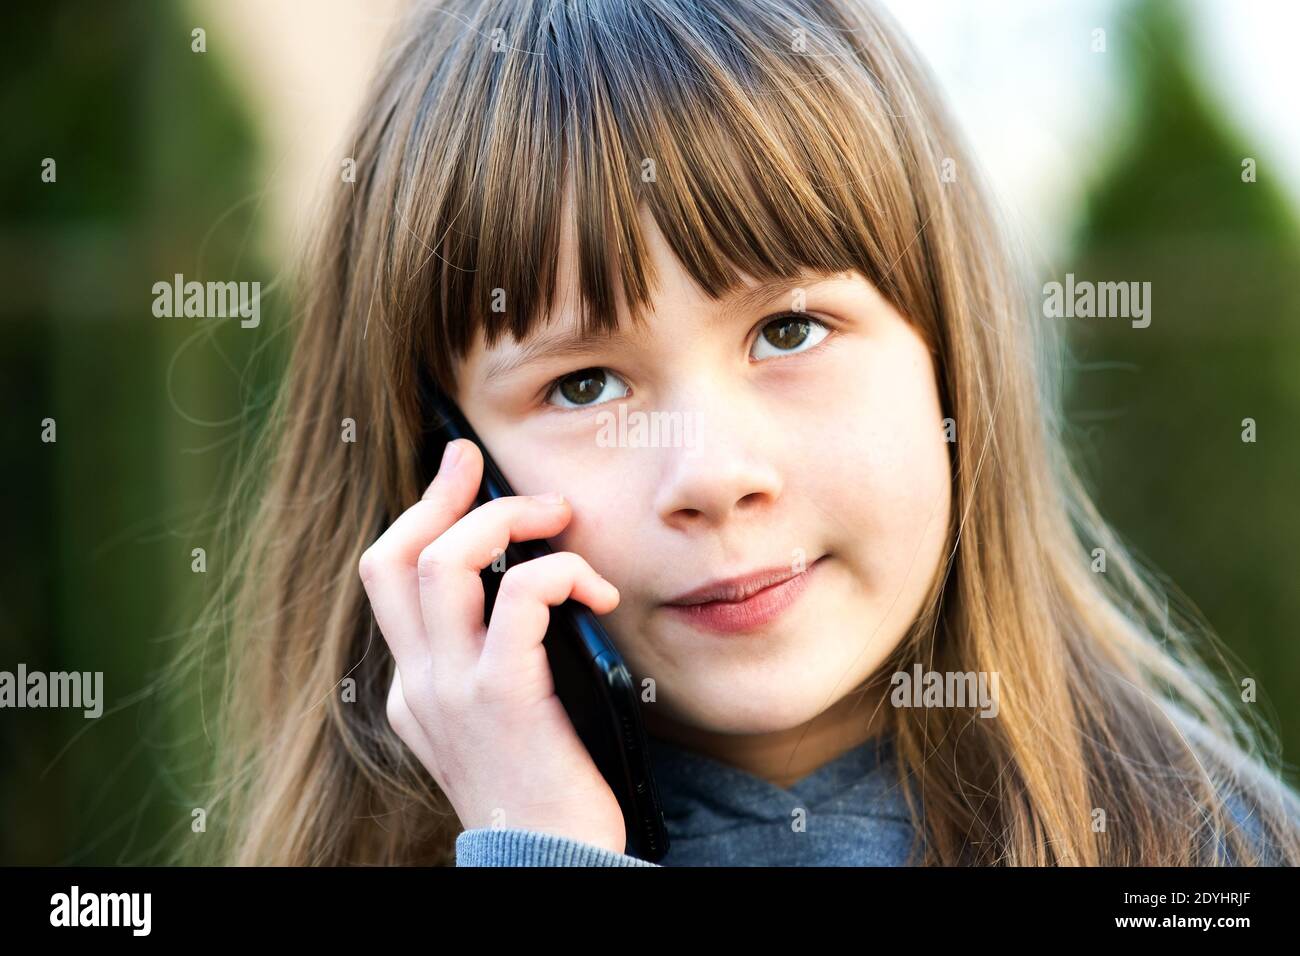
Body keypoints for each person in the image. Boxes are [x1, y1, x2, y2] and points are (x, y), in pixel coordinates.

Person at [183, 0, 1300, 866]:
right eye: (581, 387)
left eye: (789, 327)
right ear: (438, 470)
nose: (714, 474)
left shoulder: (1207, 850)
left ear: (950, 353)